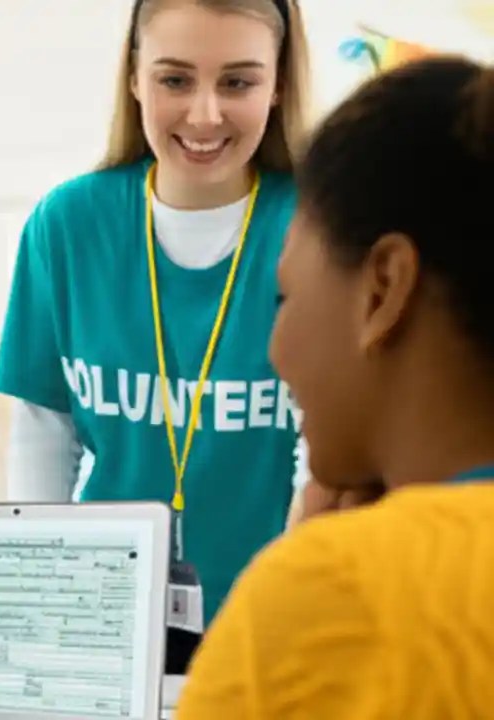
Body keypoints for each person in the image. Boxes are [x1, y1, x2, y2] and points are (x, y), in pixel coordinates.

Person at [177, 55, 494, 718]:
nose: (276, 350)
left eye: (285, 296)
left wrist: (322, 563)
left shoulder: (331, 596)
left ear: (382, 288)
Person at [0, 0, 312, 627]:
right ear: (135, 78)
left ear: (278, 86)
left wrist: (291, 605)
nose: (205, 114)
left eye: (238, 82)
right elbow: (42, 433)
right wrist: (43, 595)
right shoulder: (67, 224)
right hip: (104, 615)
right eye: (175, 79)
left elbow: (326, 458)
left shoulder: (317, 226)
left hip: (272, 615)